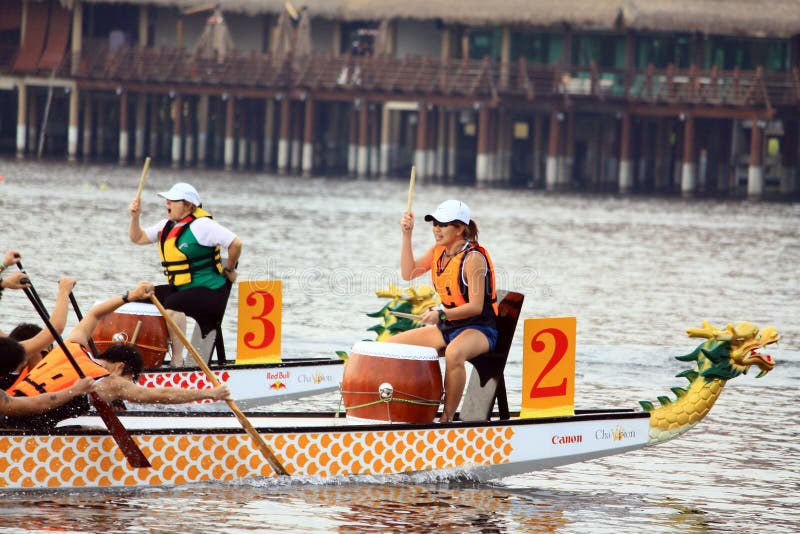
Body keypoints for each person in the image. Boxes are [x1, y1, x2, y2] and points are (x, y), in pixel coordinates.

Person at [3, 281, 230, 430]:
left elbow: (95, 312)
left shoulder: (71, 345)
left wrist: (130, 296)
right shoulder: (109, 382)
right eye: (130, 381)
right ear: (120, 368)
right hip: (21, 427)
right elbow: (160, 394)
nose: (128, 386)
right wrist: (211, 392)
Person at [388, 199, 499, 423]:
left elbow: (476, 307)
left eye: (443, 224)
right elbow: (408, 273)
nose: (436, 229)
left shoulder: (473, 258)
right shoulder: (438, 252)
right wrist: (406, 235)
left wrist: (440, 314)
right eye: (434, 223)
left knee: (453, 353)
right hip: (450, 326)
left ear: (460, 229)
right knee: (392, 348)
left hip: (480, 328)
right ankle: (408, 411)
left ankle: (445, 420)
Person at [128, 182, 242, 367]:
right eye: (167, 200)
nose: (167, 204)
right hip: (181, 289)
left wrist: (228, 269)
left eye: (173, 201)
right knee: (138, 299)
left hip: (210, 291)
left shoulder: (203, 225)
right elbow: (137, 237)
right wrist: (135, 217)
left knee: (173, 305)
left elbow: (236, 243)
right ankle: (146, 357)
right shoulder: (167, 225)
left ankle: (177, 362)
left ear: (189, 205)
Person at [0, 277, 76, 390]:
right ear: (34, 352)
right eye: (45, 352)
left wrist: (4, 280)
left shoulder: (6, 348)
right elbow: (55, 329)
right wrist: (64, 291)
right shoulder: (17, 352)